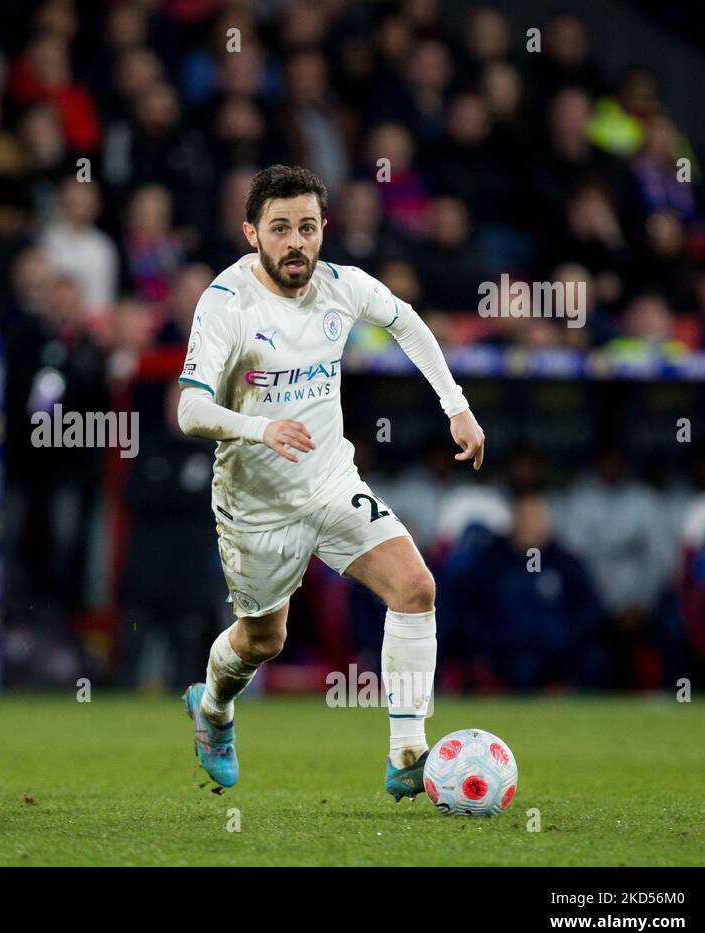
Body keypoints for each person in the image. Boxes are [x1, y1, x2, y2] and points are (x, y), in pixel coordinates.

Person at [177, 165, 485, 799]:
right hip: (256, 505)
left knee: (416, 587)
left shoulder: (342, 287)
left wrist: (456, 406)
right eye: (281, 228)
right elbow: (189, 410)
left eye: (308, 227)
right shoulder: (227, 303)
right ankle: (212, 709)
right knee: (265, 638)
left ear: (324, 231)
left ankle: (407, 751)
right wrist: (259, 429)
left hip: (330, 480)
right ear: (251, 233)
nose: (297, 242)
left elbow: (406, 322)